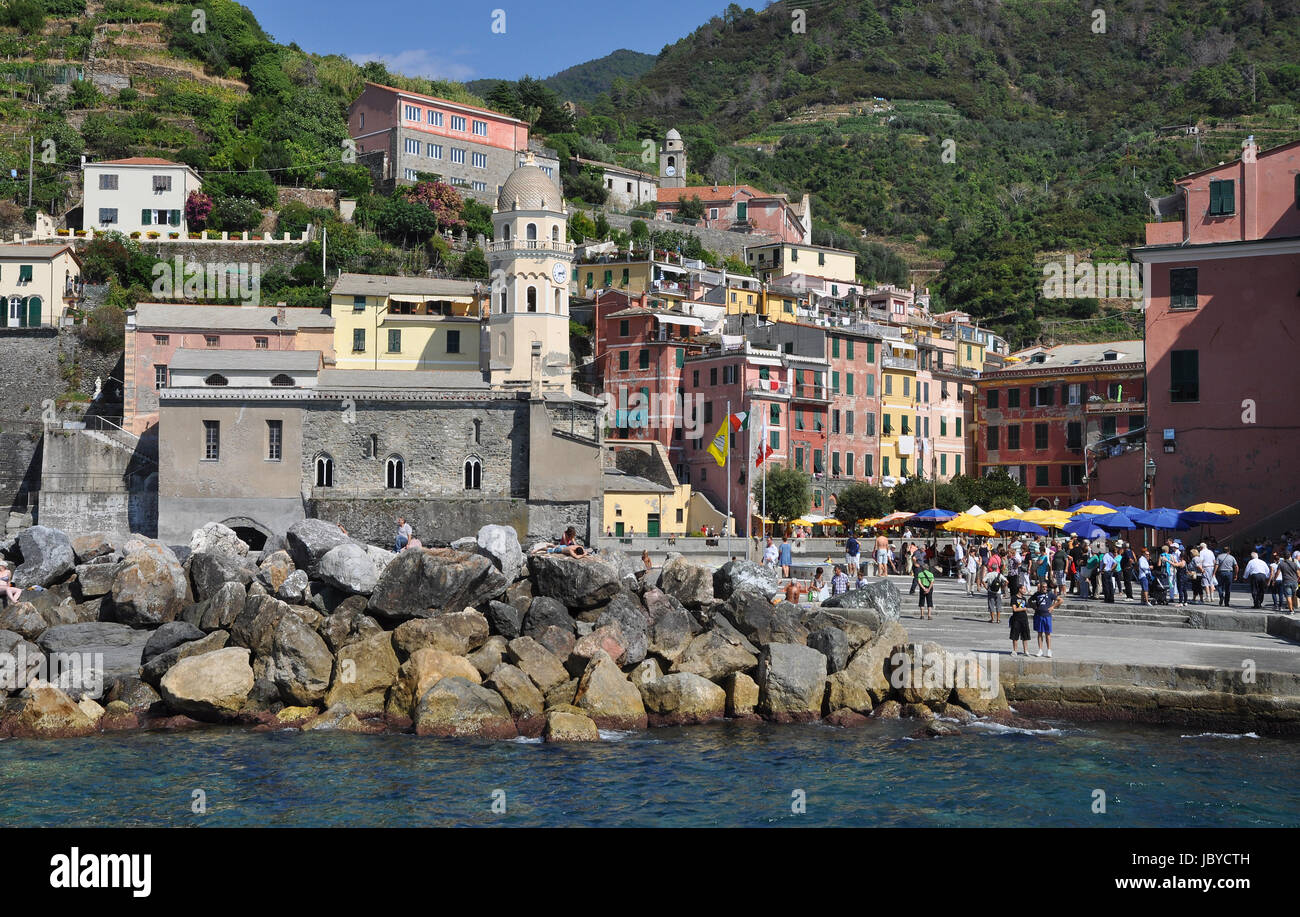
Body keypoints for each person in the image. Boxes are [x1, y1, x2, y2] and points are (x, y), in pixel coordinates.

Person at [1028, 580, 1062, 657]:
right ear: (1040, 588)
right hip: (1038, 615)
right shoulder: (1037, 594)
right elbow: (1029, 600)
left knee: (1047, 634)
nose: (1044, 588)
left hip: (1047, 616)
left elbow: (1060, 600)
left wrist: (1053, 607)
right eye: (1043, 587)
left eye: (1045, 587)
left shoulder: (1050, 594)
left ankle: (1049, 650)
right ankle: (1040, 650)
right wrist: (1033, 606)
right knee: (1039, 633)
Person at [1008, 586, 1032, 656]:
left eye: (1025, 589)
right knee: (1015, 635)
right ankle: (1015, 650)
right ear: (1020, 589)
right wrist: (1023, 609)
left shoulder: (1024, 598)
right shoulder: (1014, 598)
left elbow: (1026, 608)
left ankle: (1026, 650)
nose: (1025, 590)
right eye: (1024, 589)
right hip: (1016, 619)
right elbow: (1014, 609)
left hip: (1024, 619)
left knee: (1025, 635)